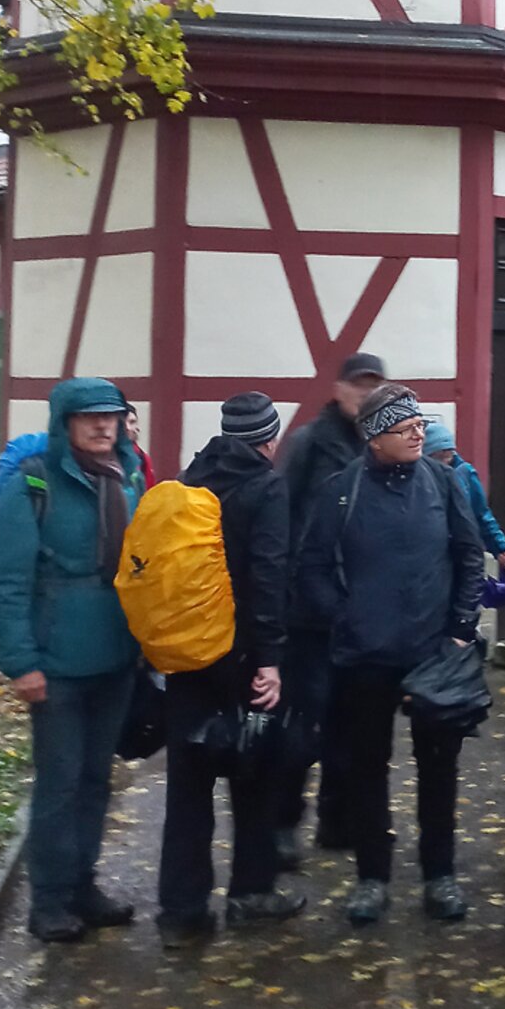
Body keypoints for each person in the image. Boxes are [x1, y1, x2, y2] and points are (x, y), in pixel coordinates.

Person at [293, 383, 484, 926]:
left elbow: (470, 556)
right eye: (406, 429)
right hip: (365, 659)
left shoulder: (444, 483)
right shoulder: (340, 492)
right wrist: (345, 618)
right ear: (375, 440)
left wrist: (460, 629)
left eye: (421, 425)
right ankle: (372, 877)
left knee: (439, 768)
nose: (418, 435)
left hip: (434, 655)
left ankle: (439, 875)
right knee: (366, 768)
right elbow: (310, 566)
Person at [0, 377, 147, 943]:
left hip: (116, 657)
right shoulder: (33, 482)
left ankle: (81, 885)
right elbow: (4, 581)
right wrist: (20, 661)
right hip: (55, 663)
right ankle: (47, 901)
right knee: (60, 782)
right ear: (64, 424)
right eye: (89, 417)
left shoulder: (130, 479)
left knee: (98, 779)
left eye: (112, 416)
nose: (103, 426)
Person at [156, 392, 305, 948]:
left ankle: (181, 912)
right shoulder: (266, 487)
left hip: (186, 654)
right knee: (256, 773)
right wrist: (271, 660)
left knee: (188, 787)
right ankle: (250, 893)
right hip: (240, 655)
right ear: (269, 439)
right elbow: (269, 576)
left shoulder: (188, 479)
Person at [272, 350, 385, 864]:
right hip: (311, 617)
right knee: (303, 727)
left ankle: (337, 822)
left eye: (374, 385)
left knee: (351, 725)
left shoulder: (381, 446)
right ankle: (282, 823)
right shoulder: (309, 445)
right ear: (339, 389)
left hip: (363, 614)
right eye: (358, 385)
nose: (365, 394)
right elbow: (282, 522)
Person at [423, 421, 505, 572]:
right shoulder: (419, 479)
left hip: (462, 554)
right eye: (439, 456)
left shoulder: (464, 473)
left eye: (449, 454)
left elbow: (482, 514)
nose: (445, 461)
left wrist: (500, 547)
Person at [125, 402, 158, 489]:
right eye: (123, 423)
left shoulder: (142, 457)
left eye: (132, 422)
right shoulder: (105, 454)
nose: (128, 427)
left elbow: (149, 492)